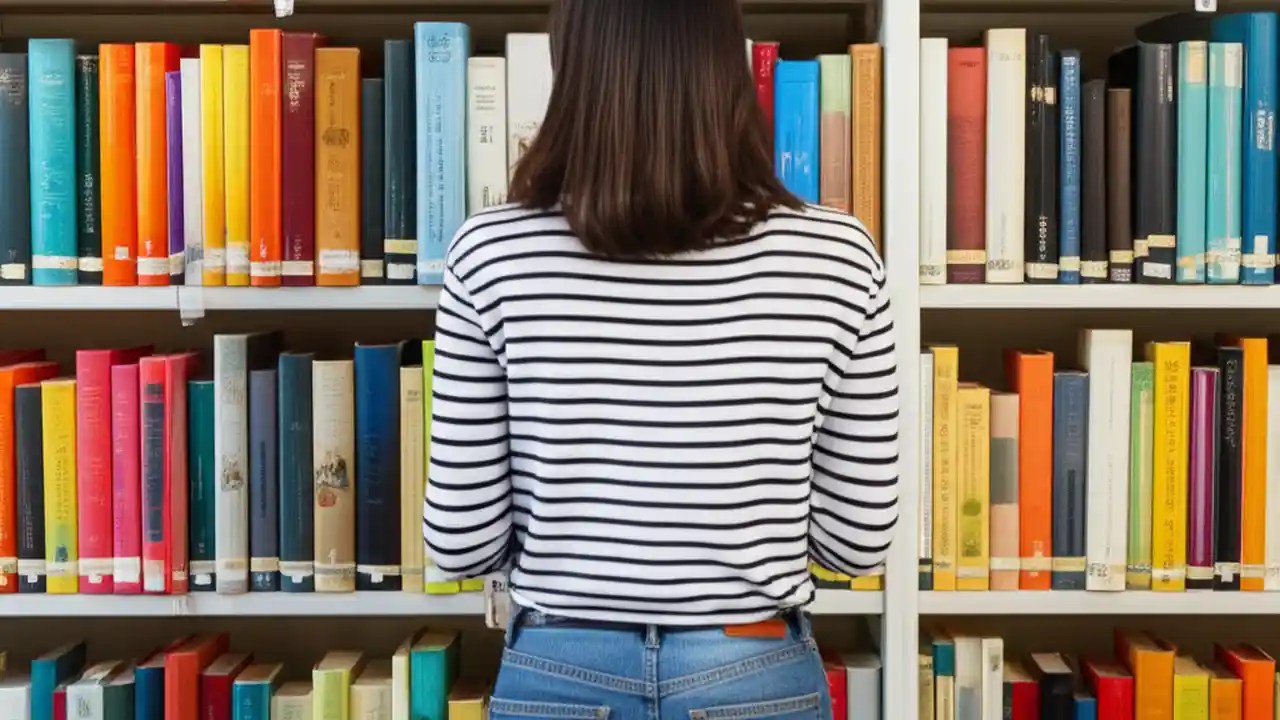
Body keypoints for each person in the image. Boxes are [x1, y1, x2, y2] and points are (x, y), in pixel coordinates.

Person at [423, 0, 899, 717]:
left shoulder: (492, 254)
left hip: (559, 670)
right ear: (726, 67)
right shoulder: (837, 257)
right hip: (757, 670)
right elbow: (857, 543)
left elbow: (460, 544)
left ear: (574, 68)